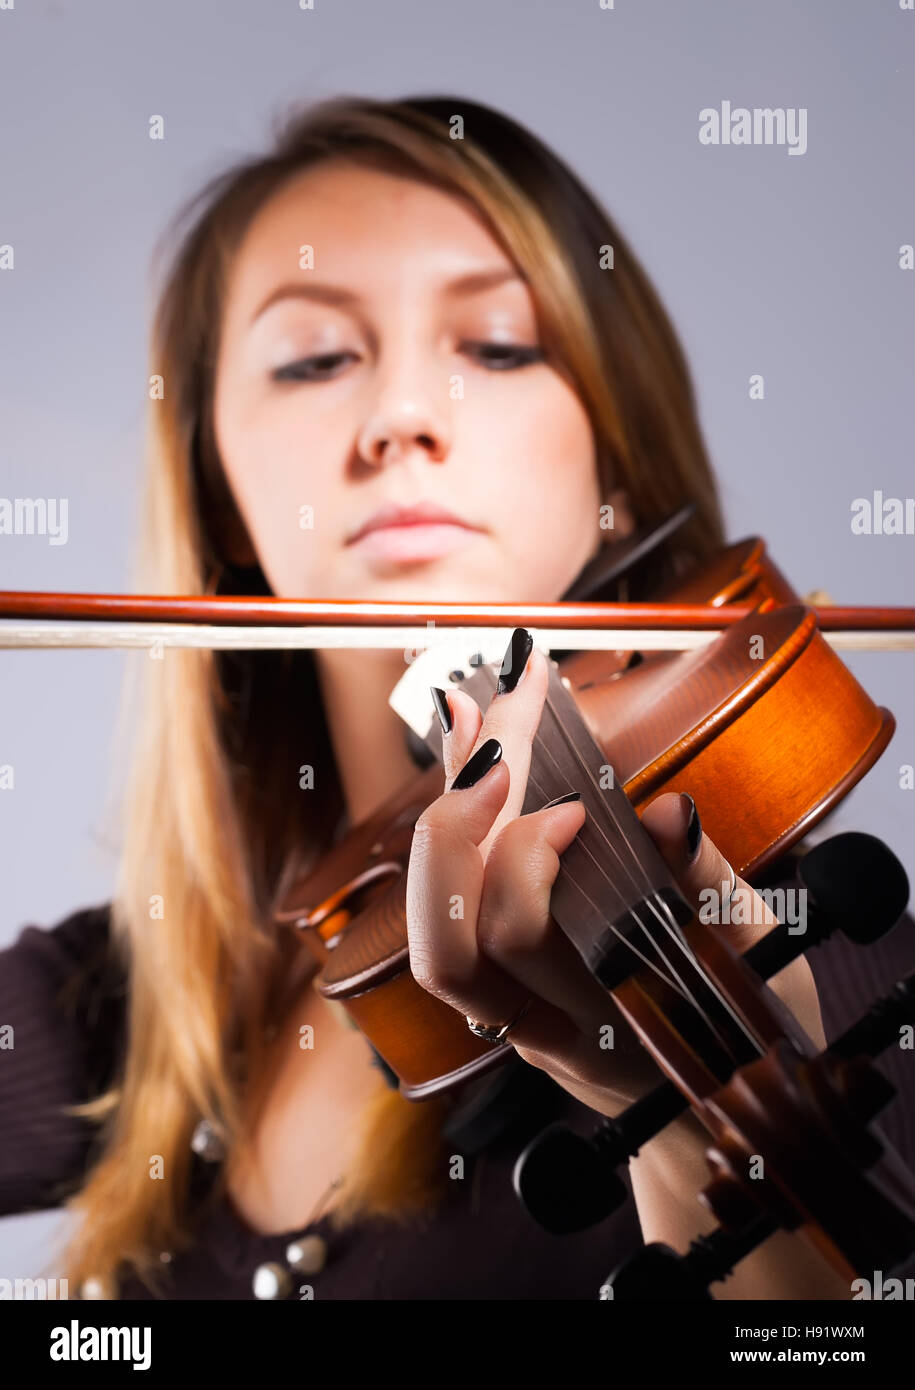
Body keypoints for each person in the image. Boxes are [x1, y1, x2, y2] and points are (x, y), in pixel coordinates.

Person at [1, 94, 912, 1302]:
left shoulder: (818, 939)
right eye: (316, 358)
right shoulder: (150, 992)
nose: (403, 417)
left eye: (495, 345)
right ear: (218, 492)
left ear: (618, 471)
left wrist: (669, 1091)